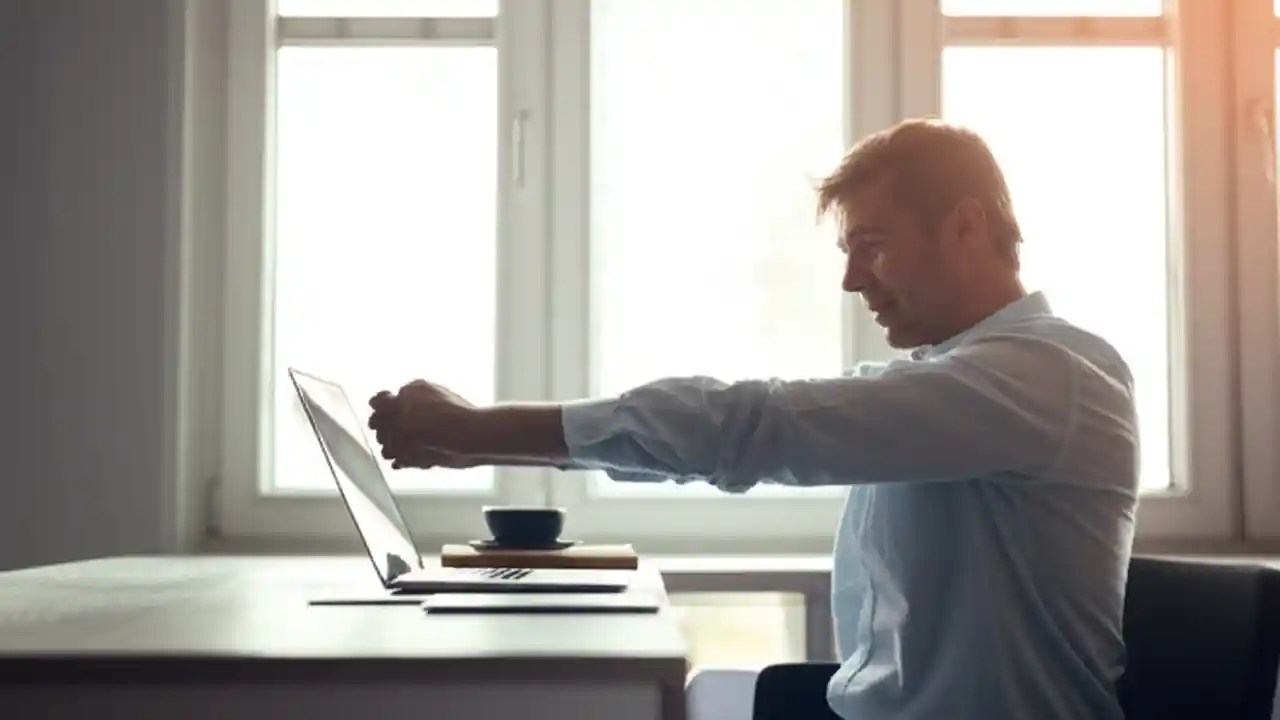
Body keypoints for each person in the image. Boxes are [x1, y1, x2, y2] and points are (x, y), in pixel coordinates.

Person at [367, 118, 1138, 720]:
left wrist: (479, 431)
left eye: (871, 245)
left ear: (965, 228)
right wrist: (477, 443)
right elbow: (743, 426)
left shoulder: (1049, 377)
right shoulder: (948, 383)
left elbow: (755, 426)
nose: (849, 279)